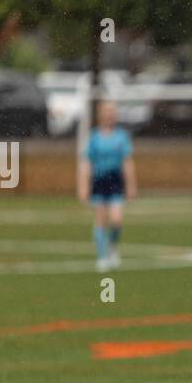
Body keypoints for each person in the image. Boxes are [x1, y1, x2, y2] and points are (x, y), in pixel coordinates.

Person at [77, 101, 136, 272]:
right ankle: (102, 257)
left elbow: (127, 162)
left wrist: (131, 185)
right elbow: (87, 163)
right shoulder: (94, 137)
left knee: (116, 220)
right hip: (99, 182)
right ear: (101, 114)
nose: (110, 114)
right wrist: (83, 186)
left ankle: (112, 247)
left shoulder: (121, 137)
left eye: (113, 111)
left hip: (115, 182)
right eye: (107, 111)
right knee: (101, 220)